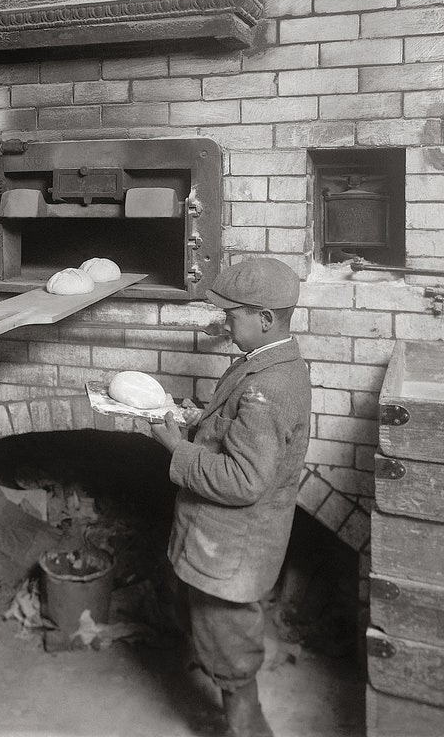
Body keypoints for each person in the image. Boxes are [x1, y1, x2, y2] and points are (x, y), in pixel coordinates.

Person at [151, 257, 311, 737]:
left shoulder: (267, 387)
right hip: (225, 548)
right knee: (217, 639)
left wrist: (178, 449)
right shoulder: (269, 361)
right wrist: (201, 420)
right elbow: (240, 433)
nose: (224, 323)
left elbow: (243, 479)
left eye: (232, 315)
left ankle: (248, 728)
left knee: (231, 657)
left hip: (229, 555)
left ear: (265, 318)